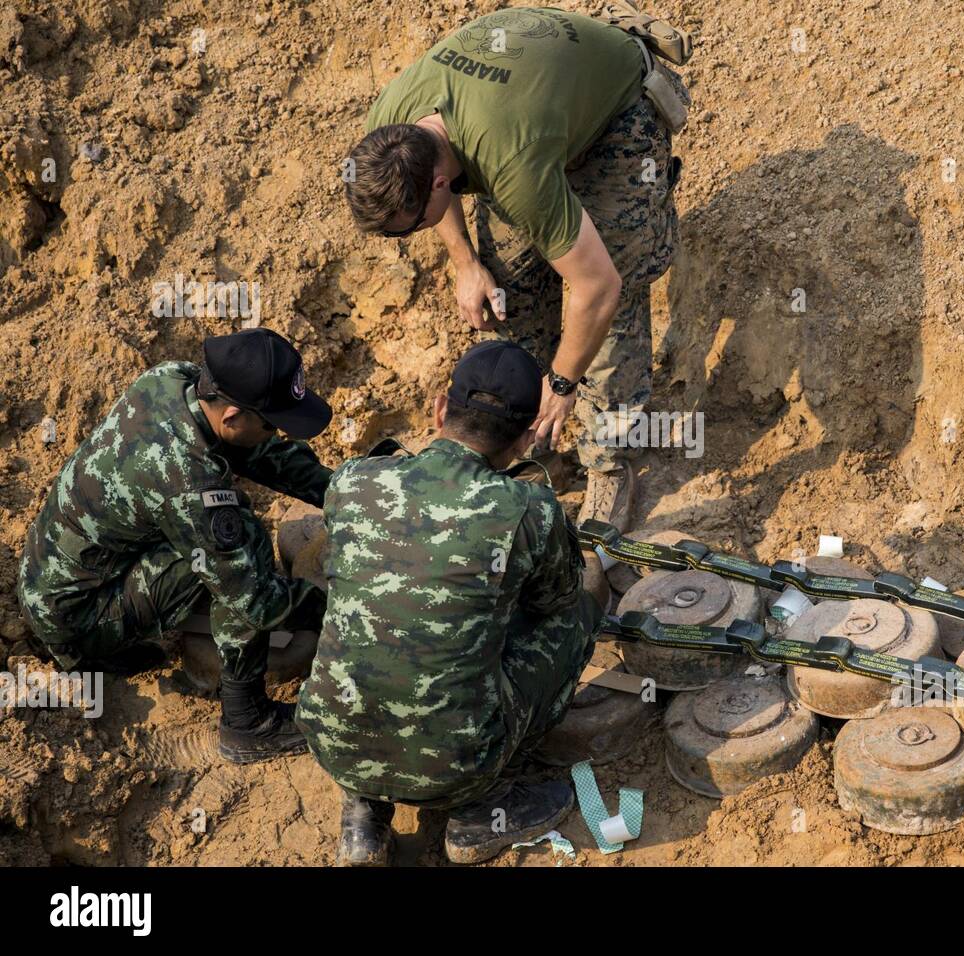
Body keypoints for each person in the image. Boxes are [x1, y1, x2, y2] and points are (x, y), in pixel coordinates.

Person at [342, 6, 687, 544]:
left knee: (610, 295)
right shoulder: (391, 129)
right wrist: (465, 263)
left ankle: (608, 459)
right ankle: (529, 434)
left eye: (405, 230)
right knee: (508, 284)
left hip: (616, 115)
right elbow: (446, 193)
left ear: (436, 184)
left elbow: (599, 288)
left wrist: (564, 380)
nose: (403, 240)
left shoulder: (512, 164)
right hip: (528, 106)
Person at [295, 341, 602, 865]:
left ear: (441, 408)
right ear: (528, 437)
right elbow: (558, 596)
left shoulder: (353, 480)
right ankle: (482, 810)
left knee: (374, 624)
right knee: (579, 611)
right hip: (461, 763)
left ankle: (363, 816)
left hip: (332, 742)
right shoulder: (527, 507)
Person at [17, 328, 334, 764]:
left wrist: (341, 490)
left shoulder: (174, 380)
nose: (275, 434)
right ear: (233, 417)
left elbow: (257, 453)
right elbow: (254, 600)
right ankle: (247, 722)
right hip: (80, 614)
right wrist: (336, 605)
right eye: (271, 425)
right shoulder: (189, 480)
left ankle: (104, 641)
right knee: (244, 548)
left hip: (52, 578)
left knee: (225, 529)